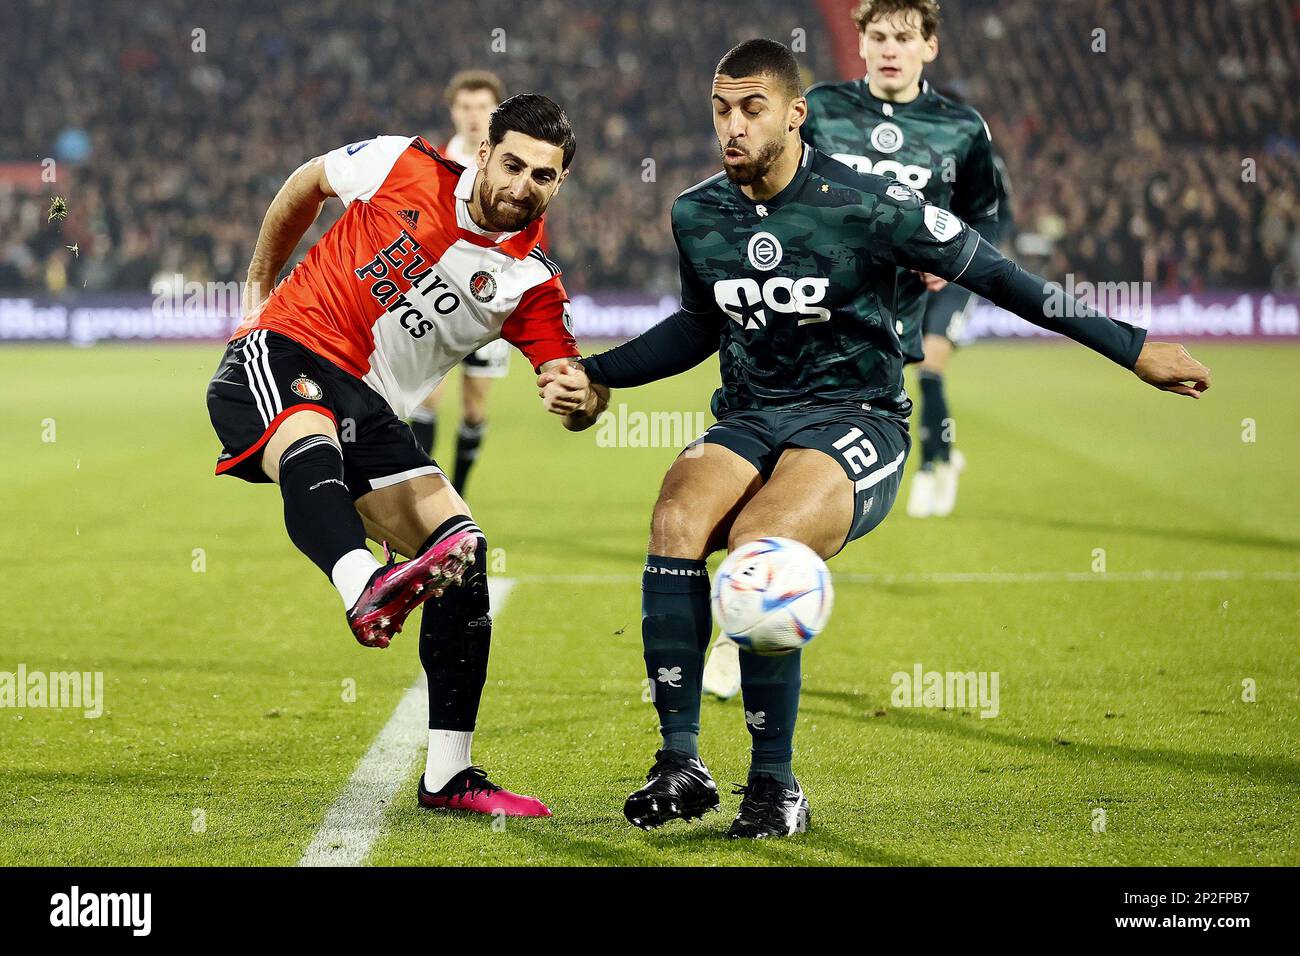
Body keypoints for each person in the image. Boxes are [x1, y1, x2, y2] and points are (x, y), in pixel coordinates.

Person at [538, 40, 1209, 839]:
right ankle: (680, 760)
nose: (732, 125)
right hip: (750, 415)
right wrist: (601, 374)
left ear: (795, 115)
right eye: (721, 108)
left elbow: (999, 277)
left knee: (762, 545)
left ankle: (773, 786)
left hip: (858, 418)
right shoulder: (697, 211)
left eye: (752, 108)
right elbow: (697, 325)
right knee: (675, 520)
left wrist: (1132, 347)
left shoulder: (873, 203)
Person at [207, 94, 606, 817]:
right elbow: (308, 182)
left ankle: (448, 775)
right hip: (287, 348)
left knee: (462, 553)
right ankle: (362, 581)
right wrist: (260, 285)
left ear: (559, 184)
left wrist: (583, 402)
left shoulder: (532, 283)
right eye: (511, 164)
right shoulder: (404, 162)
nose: (521, 186)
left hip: (372, 410)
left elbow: (574, 384)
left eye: (542, 178)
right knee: (309, 436)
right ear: (483, 154)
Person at [702, 0, 1004, 700]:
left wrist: (950, 245)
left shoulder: (962, 129)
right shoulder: (824, 109)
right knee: (755, 458)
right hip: (809, 307)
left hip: (891, 323)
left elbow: (986, 215)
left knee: (819, 466)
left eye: (904, 37)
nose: (889, 49)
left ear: (930, 46)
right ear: (860, 41)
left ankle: (933, 456)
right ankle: (734, 627)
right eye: (876, 35)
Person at [409, 69, 513, 496]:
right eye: (466, 107)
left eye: (482, 107)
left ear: (497, 113)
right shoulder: (436, 164)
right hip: (438, 299)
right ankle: (418, 500)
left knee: (473, 408)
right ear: (453, 111)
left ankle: (459, 497)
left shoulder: (511, 166)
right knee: (427, 400)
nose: (474, 116)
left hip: (490, 304)